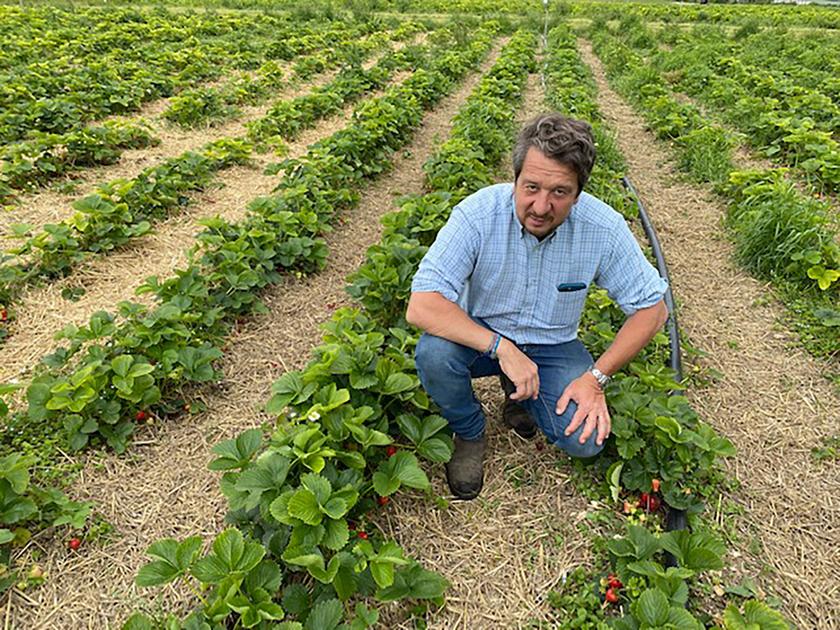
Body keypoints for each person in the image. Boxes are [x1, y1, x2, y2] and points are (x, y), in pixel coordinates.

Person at [406, 113, 669, 500]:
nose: (541, 206)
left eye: (560, 192)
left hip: (552, 344)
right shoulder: (478, 215)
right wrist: (502, 348)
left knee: (585, 439)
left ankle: (521, 394)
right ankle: (469, 430)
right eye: (531, 187)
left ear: (579, 193)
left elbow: (653, 310)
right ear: (514, 179)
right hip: (483, 336)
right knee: (435, 353)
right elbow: (422, 305)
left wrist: (596, 378)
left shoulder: (602, 227)